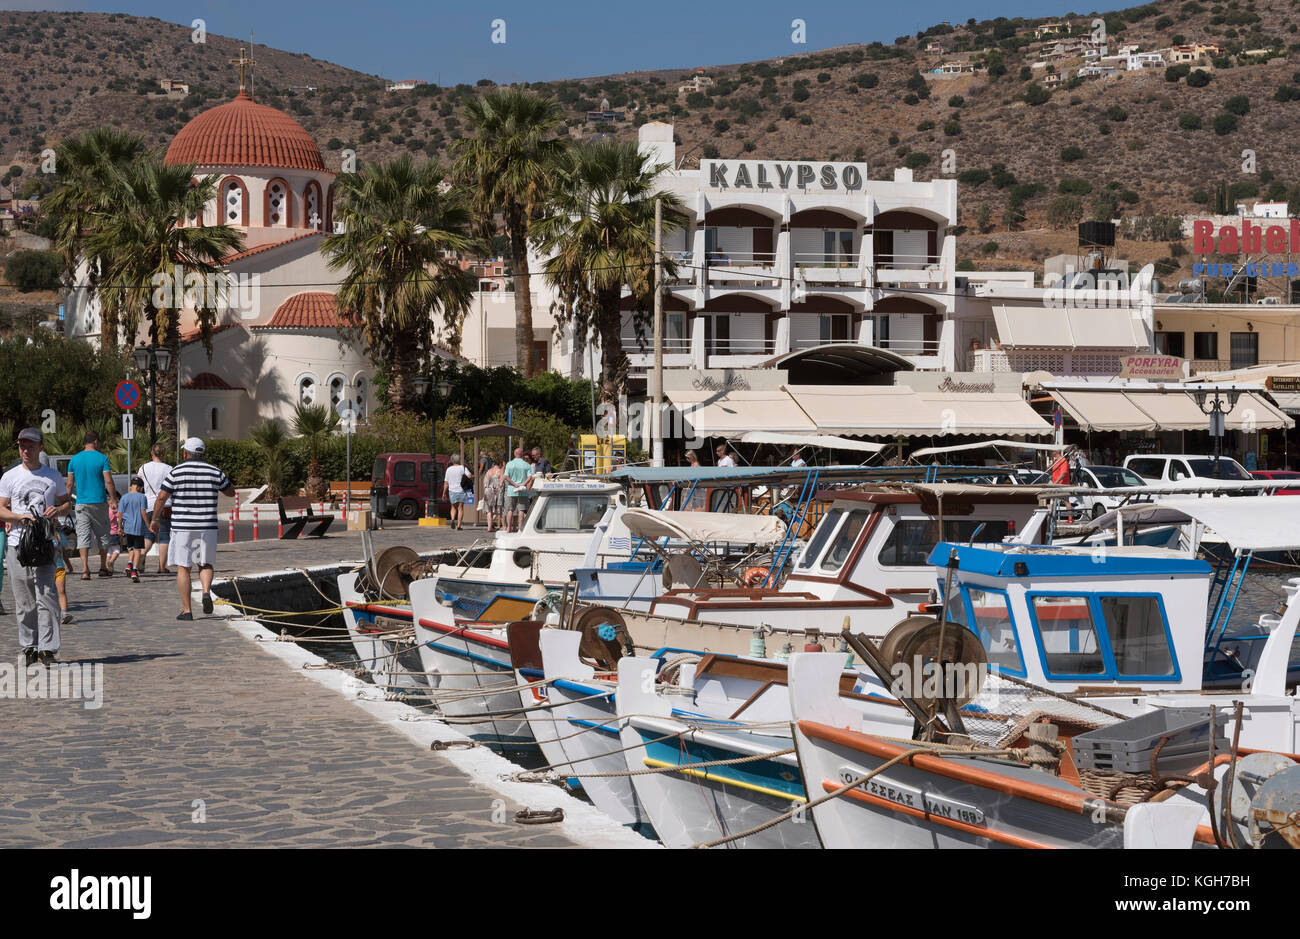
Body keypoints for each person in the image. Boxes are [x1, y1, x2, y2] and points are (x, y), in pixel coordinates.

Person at [0, 428, 72, 666]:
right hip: (17, 544)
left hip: (44, 544)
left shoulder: (52, 476)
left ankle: (48, 649)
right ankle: (28, 647)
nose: (25, 450)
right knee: (24, 601)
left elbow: (67, 505)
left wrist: (57, 510)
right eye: (22, 446)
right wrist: (18, 517)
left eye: (30, 446)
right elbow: (0, 508)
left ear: (41, 447)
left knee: (48, 596)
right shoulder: (9, 477)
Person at [151, 437, 235, 621]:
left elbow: (162, 497)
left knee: (184, 567)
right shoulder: (215, 471)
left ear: (185, 453)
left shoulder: (177, 471)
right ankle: (206, 592)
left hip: (183, 527)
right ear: (203, 453)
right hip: (207, 525)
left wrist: (155, 518)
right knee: (205, 563)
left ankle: (187, 610)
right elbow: (230, 491)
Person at [66, 430, 118, 579]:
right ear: (96, 442)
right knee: (102, 535)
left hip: (82, 503)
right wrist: (113, 499)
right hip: (99, 502)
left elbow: (69, 484)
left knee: (83, 536)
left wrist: (67, 502)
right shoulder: (102, 458)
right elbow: (108, 481)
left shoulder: (74, 460)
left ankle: (84, 569)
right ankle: (102, 567)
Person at [138, 442, 173, 574]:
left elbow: (138, 485)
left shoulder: (143, 468)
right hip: (165, 505)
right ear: (163, 453)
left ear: (152, 453)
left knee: (149, 534)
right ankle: (162, 567)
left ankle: (142, 554)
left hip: (148, 504)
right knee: (164, 536)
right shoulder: (169, 469)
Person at [118, 476, 150, 584]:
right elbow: (143, 512)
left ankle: (129, 564)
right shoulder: (142, 497)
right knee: (138, 551)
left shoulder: (124, 497)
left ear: (130, 486)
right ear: (141, 488)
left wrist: (119, 527)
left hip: (127, 528)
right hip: (138, 528)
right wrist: (148, 525)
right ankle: (134, 571)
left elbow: (120, 514)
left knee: (130, 548)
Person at [503, 446, 532, 533]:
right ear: (522, 454)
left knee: (510, 510)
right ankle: (520, 529)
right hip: (522, 490)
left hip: (511, 489)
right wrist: (523, 484)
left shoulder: (509, 464)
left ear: (515, 454)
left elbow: (506, 476)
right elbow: (530, 476)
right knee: (521, 510)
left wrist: (514, 484)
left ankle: (508, 528)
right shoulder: (526, 465)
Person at [442, 454, 471, 530]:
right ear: (459, 460)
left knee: (453, 507)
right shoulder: (463, 468)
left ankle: (452, 519)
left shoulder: (449, 469)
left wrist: (444, 493)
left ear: (452, 460)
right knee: (460, 508)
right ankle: (458, 525)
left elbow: (446, 483)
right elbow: (469, 476)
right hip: (461, 490)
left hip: (452, 491)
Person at [483, 456, 505, 532]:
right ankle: (504, 526)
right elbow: (501, 483)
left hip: (487, 491)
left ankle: (489, 527)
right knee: (498, 510)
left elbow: (484, 483)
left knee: (488, 510)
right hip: (496, 492)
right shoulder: (500, 471)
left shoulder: (488, 471)